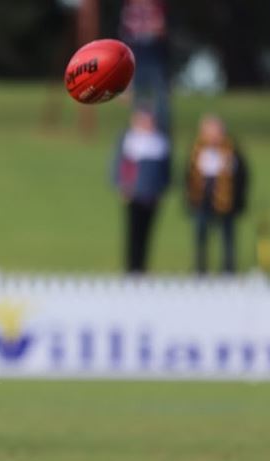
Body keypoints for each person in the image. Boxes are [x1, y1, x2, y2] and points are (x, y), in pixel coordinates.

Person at [111, 108, 171, 274]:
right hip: (134, 193)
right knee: (133, 231)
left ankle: (143, 267)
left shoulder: (160, 141)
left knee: (148, 232)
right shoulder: (130, 139)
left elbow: (165, 169)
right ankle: (132, 266)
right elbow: (121, 166)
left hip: (151, 194)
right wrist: (123, 186)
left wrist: (162, 188)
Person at [185, 115, 248, 274]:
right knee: (201, 236)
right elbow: (188, 176)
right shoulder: (196, 151)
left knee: (227, 238)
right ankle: (200, 271)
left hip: (226, 202)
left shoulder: (231, 151)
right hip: (202, 200)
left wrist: (237, 201)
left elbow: (242, 177)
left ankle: (228, 270)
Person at [119, 0, 171, 130]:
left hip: (155, 59)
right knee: (138, 105)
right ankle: (139, 139)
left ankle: (161, 140)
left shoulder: (159, 6)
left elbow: (163, 33)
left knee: (161, 104)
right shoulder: (128, 7)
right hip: (137, 59)